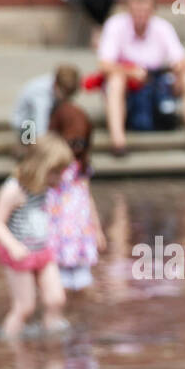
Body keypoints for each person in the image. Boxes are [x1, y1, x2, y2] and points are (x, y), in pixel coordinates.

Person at [96, 0, 185, 155]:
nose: (140, 16)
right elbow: (104, 65)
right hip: (128, 80)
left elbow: (182, 59)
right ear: (128, 10)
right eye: (136, 11)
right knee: (115, 81)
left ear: (153, 11)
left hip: (156, 80)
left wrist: (178, 67)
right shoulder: (115, 25)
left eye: (144, 11)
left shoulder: (163, 27)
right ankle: (118, 141)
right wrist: (130, 72)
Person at [0, 134, 75, 341]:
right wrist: (13, 246)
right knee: (25, 307)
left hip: (42, 250)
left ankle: (52, 339)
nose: (61, 177)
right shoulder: (14, 189)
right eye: (56, 172)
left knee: (56, 299)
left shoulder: (43, 186)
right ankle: (10, 343)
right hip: (19, 254)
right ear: (41, 168)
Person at [45, 102, 105, 296]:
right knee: (57, 286)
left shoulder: (82, 166)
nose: (77, 148)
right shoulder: (50, 165)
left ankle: (81, 322)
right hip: (57, 233)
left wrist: (98, 230)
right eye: (73, 142)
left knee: (85, 285)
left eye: (82, 143)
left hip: (79, 234)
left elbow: (87, 197)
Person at [10, 65, 80, 151]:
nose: (68, 97)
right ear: (56, 85)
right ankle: (26, 152)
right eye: (66, 94)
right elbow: (40, 123)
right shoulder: (41, 94)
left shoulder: (59, 83)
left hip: (45, 116)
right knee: (32, 141)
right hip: (26, 121)